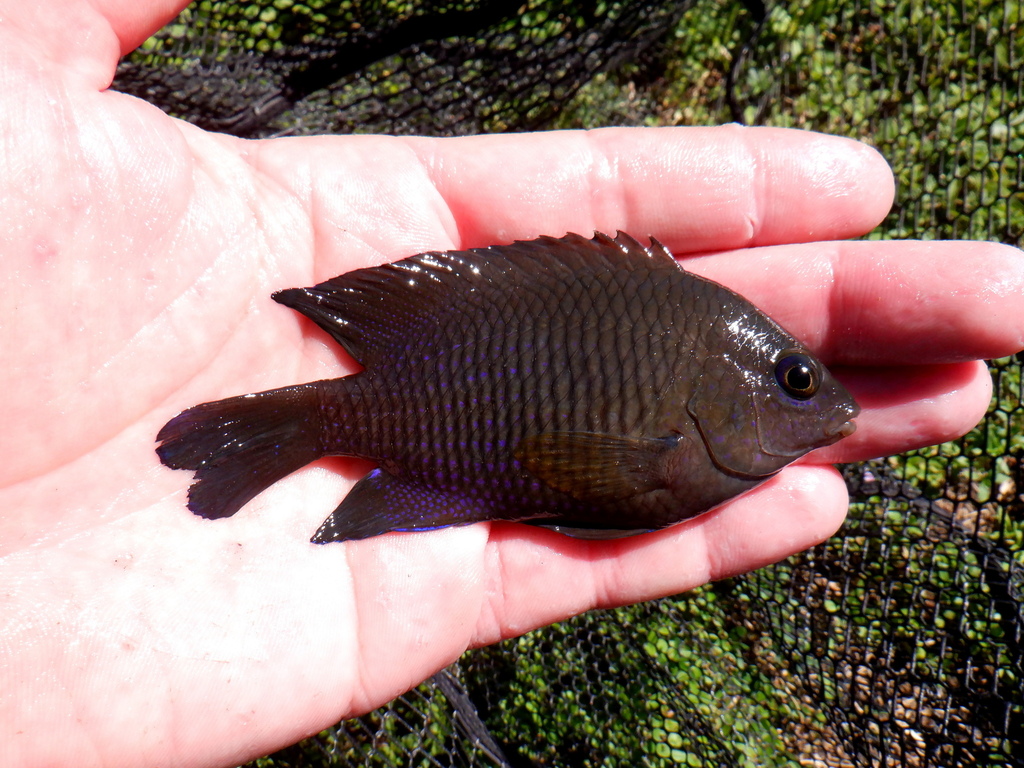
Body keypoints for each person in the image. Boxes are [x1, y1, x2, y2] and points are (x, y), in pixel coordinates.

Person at [2, 1, 1022, 767]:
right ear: (737, 379)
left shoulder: (706, 398)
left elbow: (569, 485)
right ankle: (293, 427)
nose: (821, 407)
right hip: (423, 421)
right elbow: (575, 484)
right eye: (795, 382)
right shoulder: (698, 372)